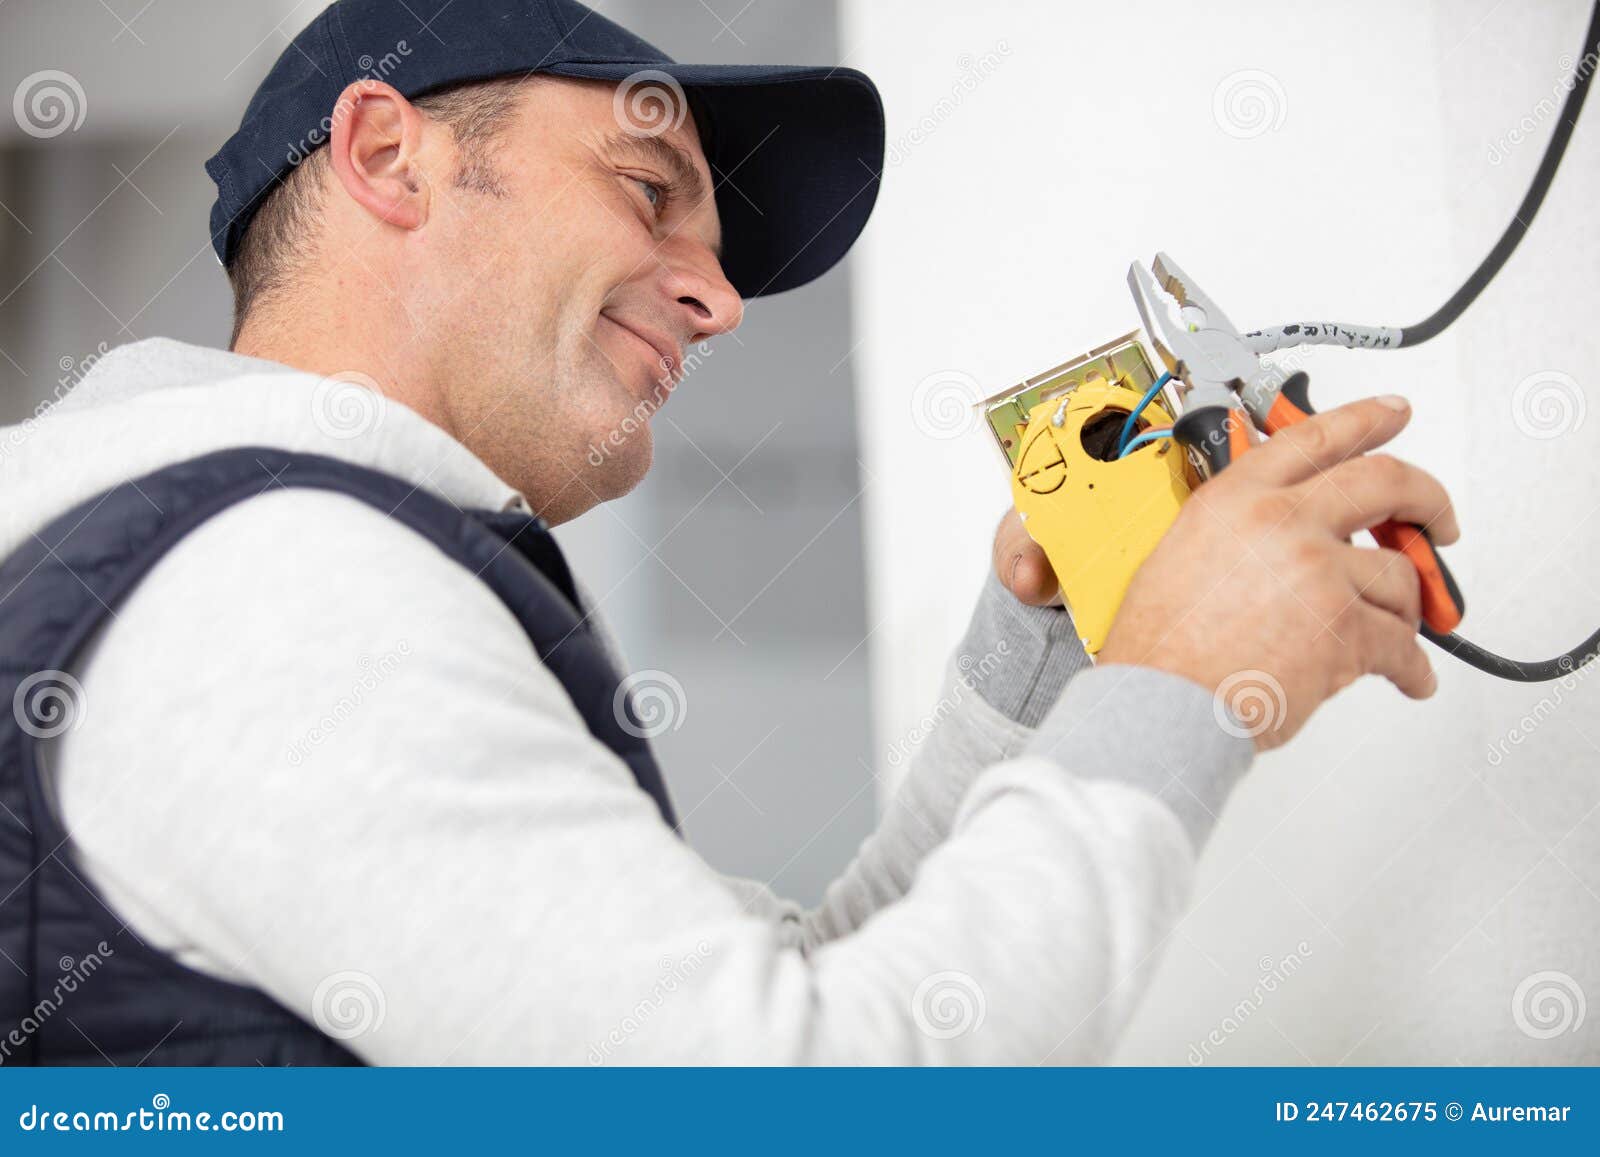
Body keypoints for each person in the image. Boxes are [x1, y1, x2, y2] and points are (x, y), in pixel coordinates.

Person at [0, 0, 1453, 1065]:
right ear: (390, 155)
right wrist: (1185, 688)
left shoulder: (198, 550)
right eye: (648, 193)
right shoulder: (277, 595)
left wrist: (1051, 662)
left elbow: (777, 1000)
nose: (723, 301)